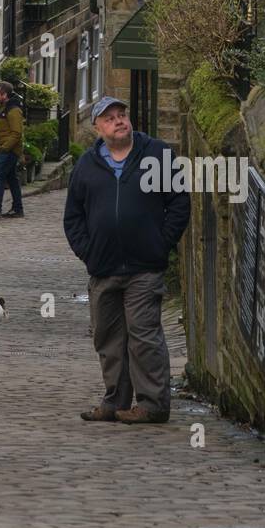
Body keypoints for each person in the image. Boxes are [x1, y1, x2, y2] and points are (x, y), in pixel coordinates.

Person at [63, 97, 191, 425]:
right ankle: (115, 401)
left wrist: (161, 245)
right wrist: (87, 252)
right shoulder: (87, 165)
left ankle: (152, 404)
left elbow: (178, 202)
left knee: (143, 334)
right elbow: (73, 215)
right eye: (110, 118)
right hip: (103, 266)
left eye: (122, 115)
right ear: (98, 127)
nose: (119, 121)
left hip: (145, 265)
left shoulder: (157, 154)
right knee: (107, 336)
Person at [0, 81, 25, 218]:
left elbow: (16, 133)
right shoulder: (5, 107)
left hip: (9, 150)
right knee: (12, 179)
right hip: (6, 148)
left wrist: (4, 148)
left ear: (4, 94)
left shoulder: (13, 110)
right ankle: (17, 209)